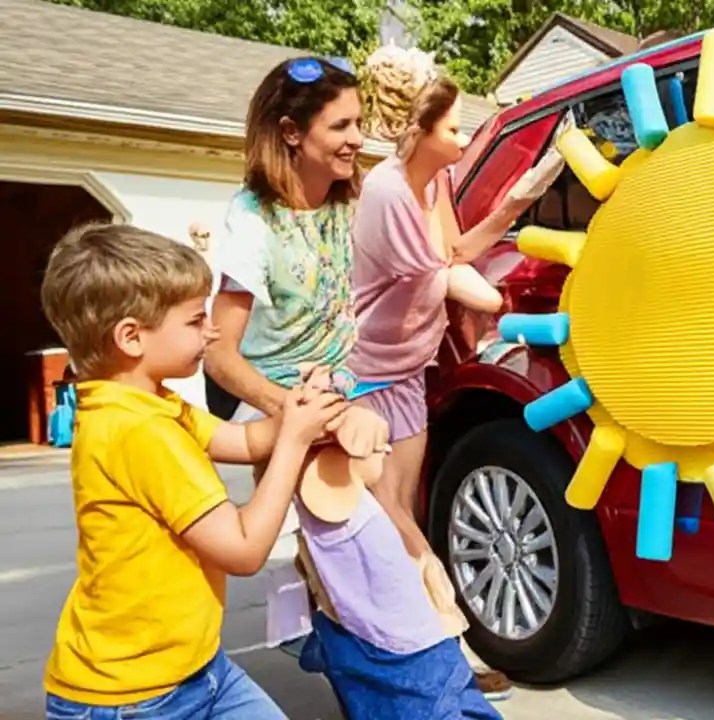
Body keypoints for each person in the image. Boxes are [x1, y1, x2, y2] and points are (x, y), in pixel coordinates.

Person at [203, 56, 507, 709]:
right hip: (298, 404)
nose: (356, 138)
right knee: (377, 561)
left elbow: (435, 257)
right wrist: (297, 415)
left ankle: (425, 665)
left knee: (384, 551)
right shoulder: (253, 220)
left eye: (360, 123)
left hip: (369, 388)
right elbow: (221, 356)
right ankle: (436, 677)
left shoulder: (360, 194)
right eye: (341, 125)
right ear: (291, 132)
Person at [39, 223, 347, 720]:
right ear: (131, 337)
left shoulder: (148, 404)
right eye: (193, 319)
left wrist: (300, 412)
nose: (212, 330)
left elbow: (243, 439)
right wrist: (294, 440)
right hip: (132, 701)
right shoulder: (139, 434)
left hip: (198, 670)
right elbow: (244, 549)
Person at [348, 68, 563, 633]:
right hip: (367, 375)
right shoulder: (386, 191)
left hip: (411, 368)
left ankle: (418, 632)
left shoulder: (436, 183)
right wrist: (496, 305)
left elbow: (458, 249)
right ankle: (439, 630)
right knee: (389, 513)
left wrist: (521, 199)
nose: (465, 142)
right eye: (453, 129)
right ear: (418, 130)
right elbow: (435, 271)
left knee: (400, 507)